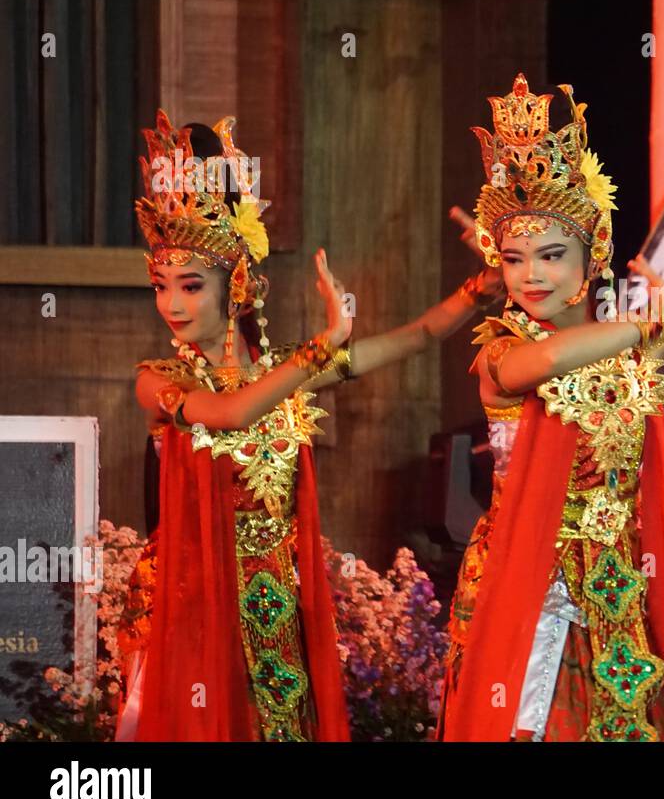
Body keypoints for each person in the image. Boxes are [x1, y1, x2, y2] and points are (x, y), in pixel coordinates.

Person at [437, 73, 664, 741]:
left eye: (552, 255)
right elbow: (546, 363)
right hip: (527, 588)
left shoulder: (624, 345)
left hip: (612, 587)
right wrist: (647, 326)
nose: (531, 276)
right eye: (517, 258)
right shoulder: (499, 354)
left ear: (593, 255)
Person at [119, 110, 501, 740]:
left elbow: (418, 335)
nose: (172, 304)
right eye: (161, 286)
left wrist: (480, 288)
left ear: (235, 286)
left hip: (274, 600)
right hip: (193, 598)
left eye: (189, 286)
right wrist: (319, 348)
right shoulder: (162, 383)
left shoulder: (285, 372)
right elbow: (230, 413)